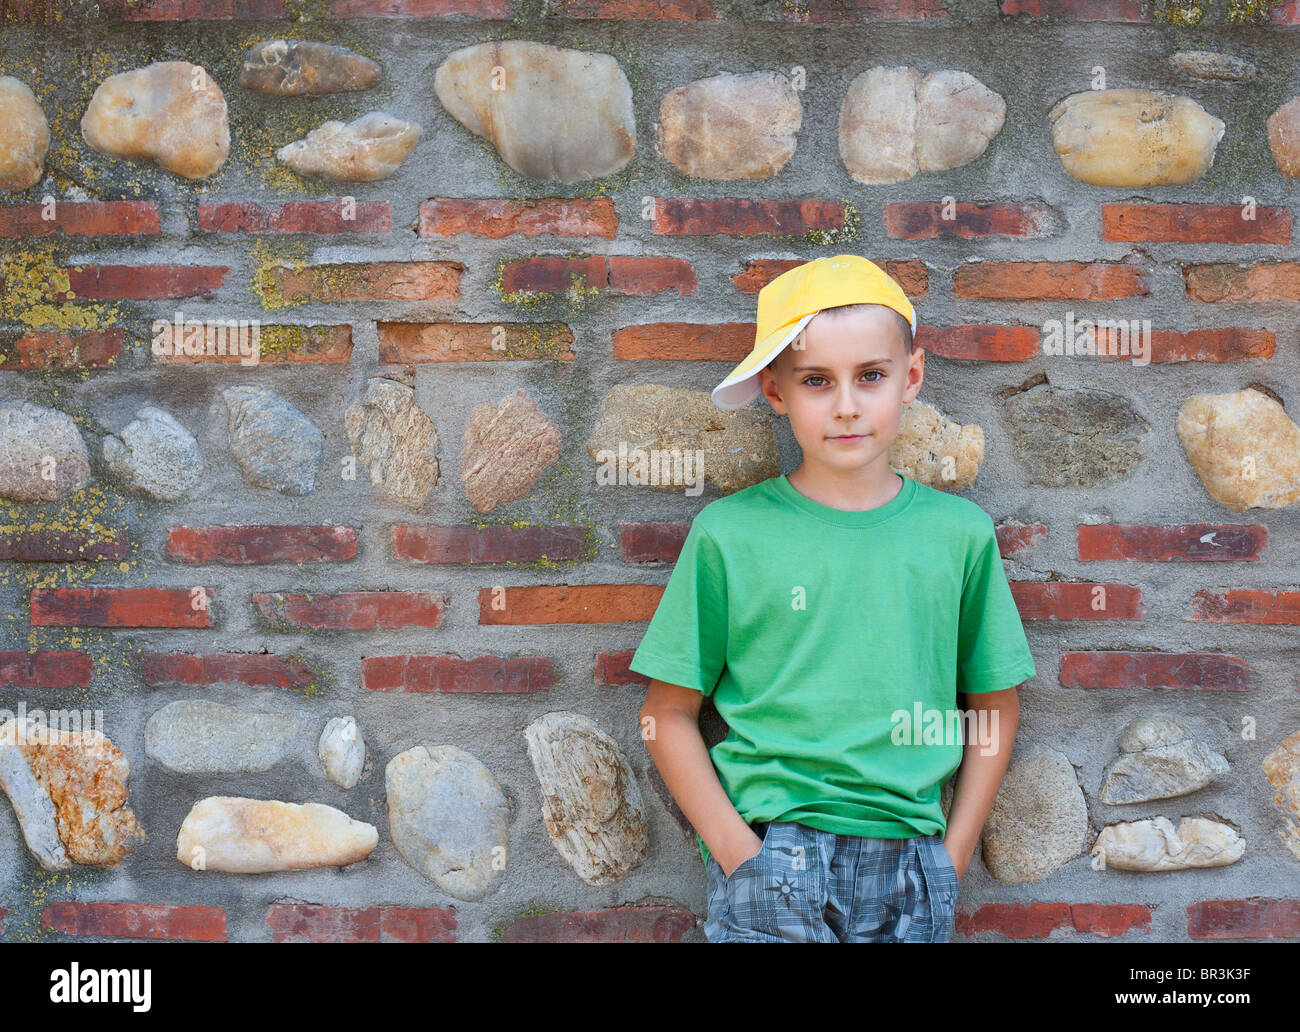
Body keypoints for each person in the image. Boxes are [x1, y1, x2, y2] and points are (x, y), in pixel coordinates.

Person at [629, 254, 1035, 942]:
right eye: (817, 381)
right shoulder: (729, 535)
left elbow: (993, 708)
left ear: (910, 378)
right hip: (773, 854)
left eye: (870, 376)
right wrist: (740, 856)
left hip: (912, 862)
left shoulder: (959, 536)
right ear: (776, 390)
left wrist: (953, 858)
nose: (846, 405)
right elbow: (666, 716)